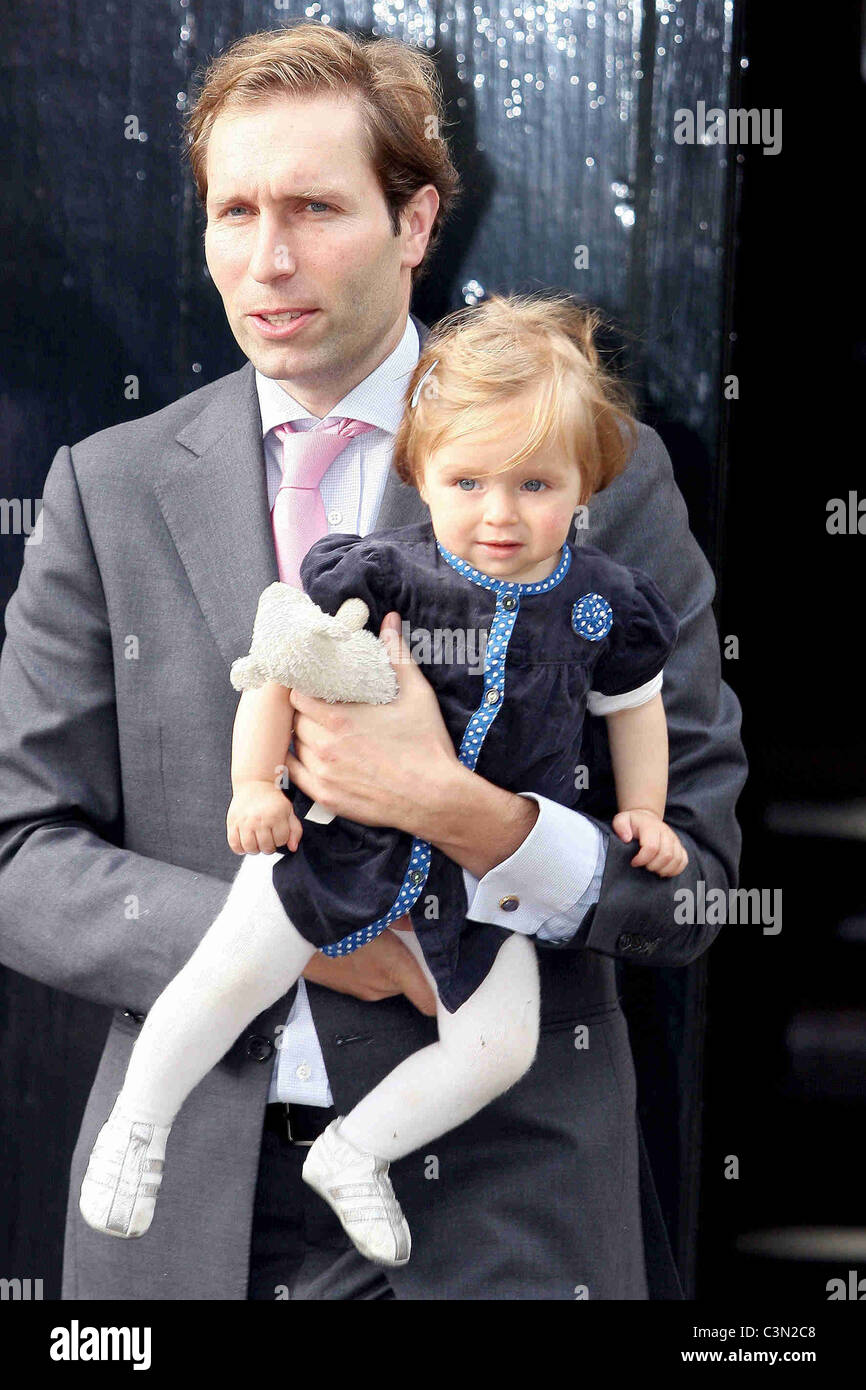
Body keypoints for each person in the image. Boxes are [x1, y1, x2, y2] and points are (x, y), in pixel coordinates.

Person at [0, 24, 747, 1300]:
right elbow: (21, 854)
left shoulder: (585, 480)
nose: (266, 258)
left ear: (416, 221)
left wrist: (471, 821)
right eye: (232, 210)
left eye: (313, 207)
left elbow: (694, 878)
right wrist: (309, 937)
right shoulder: (106, 487)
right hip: (177, 1227)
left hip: (507, 1218)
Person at [77, 293, 688, 1267]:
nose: (497, 513)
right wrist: (253, 788)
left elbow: (637, 708)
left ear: (584, 486)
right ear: (422, 475)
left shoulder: (601, 601)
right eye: (466, 481)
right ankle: (141, 1122)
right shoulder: (386, 572)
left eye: (534, 484)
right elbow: (279, 671)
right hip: (335, 847)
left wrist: (642, 812)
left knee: (500, 1043)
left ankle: (358, 1152)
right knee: (225, 973)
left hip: (474, 894)